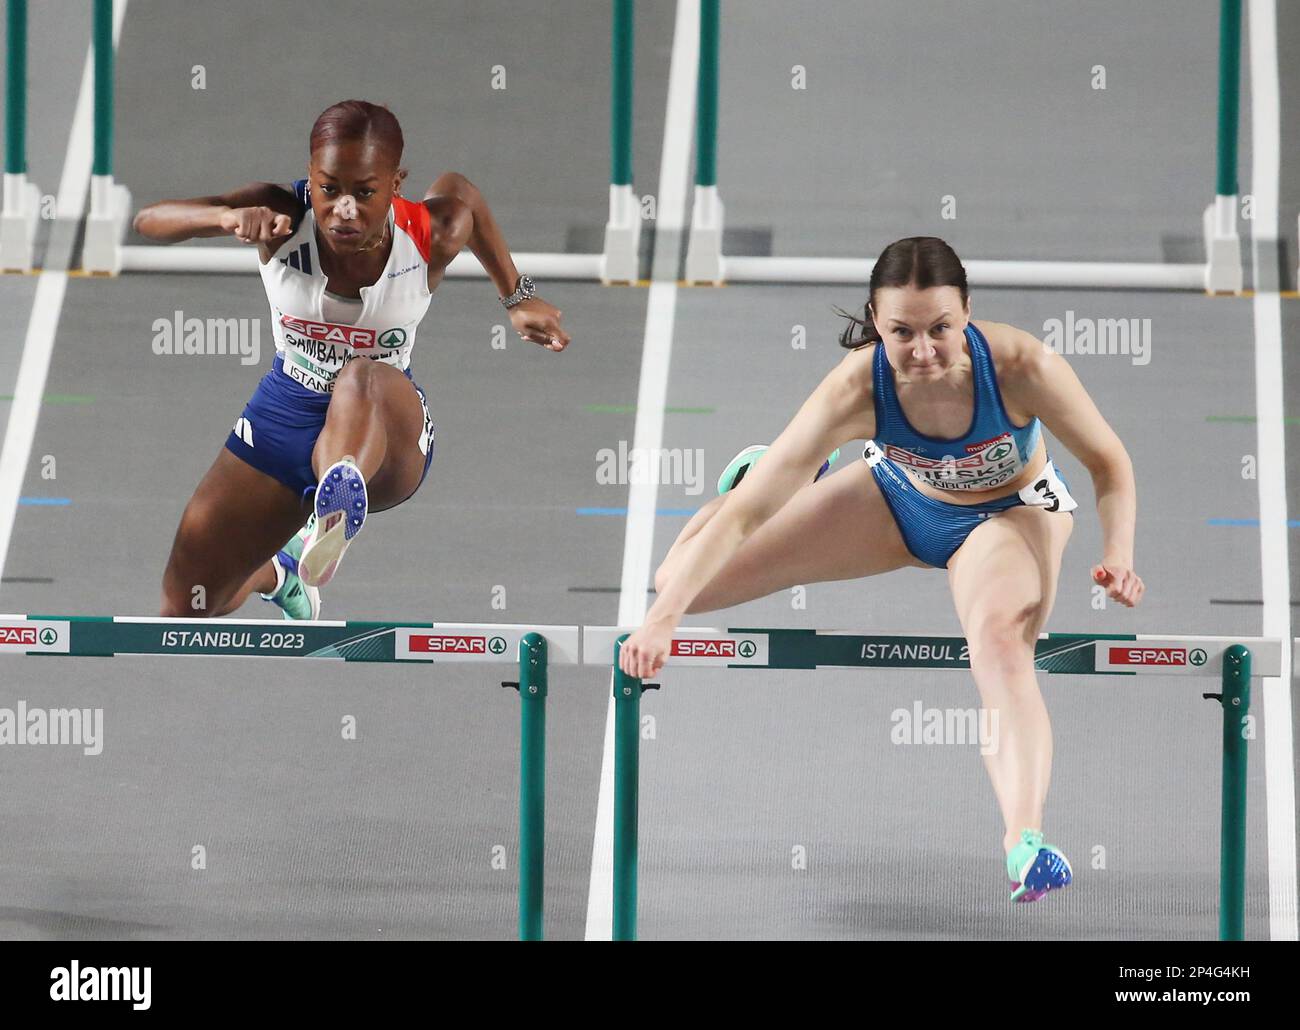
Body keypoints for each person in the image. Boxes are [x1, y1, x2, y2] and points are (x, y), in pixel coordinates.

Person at [618, 236, 1144, 902]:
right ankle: (791, 469)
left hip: (1007, 517)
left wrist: (1118, 553)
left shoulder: (1021, 365)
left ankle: (1024, 843)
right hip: (897, 499)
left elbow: (1110, 463)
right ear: (875, 320)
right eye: (902, 333)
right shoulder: (853, 388)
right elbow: (745, 517)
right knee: (680, 580)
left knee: (1002, 648)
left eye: (940, 331)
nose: (923, 351)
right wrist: (661, 620)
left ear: (968, 314)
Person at [133, 100, 570, 620]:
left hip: (384, 427)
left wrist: (517, 296)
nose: (344, 209)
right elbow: (149, 221)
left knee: (357, 376)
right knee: (184, 606)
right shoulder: (281, 212)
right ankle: (280, 573)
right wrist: (224, 216)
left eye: (365, 192)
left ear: (395, 184)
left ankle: (335, 506)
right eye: (329, 188)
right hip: (286, 409)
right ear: (311, 178)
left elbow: (463, 195)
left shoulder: (430, 233)